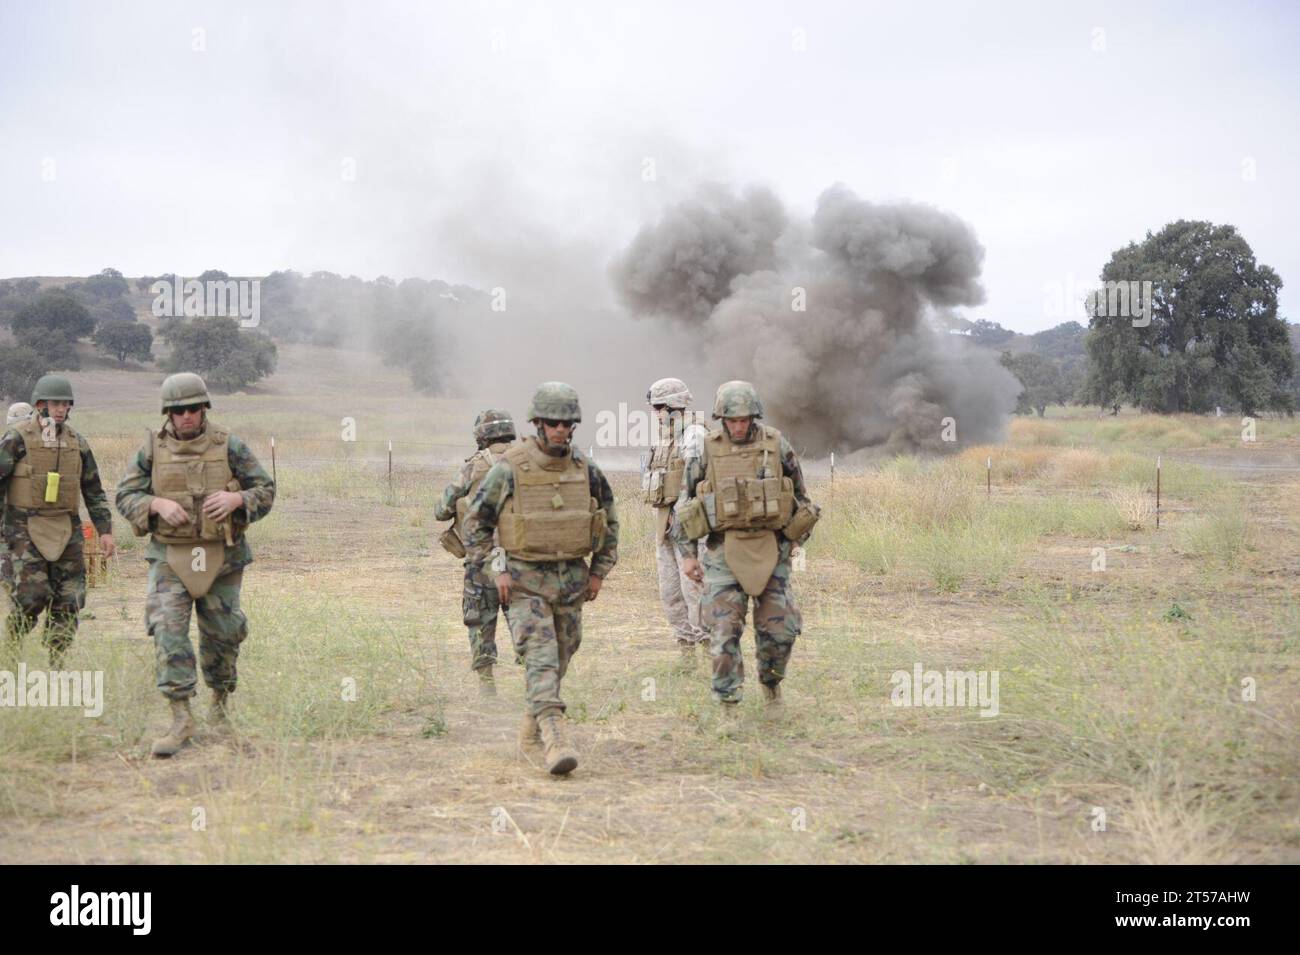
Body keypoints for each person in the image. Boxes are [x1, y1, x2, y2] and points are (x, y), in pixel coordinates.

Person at [115, 373, 275, 758]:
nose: (186, 416)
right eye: (178, 410)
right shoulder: (151, 449)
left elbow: (266, 490)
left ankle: (220, 710)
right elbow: (125, 495)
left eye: (193, 408)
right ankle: (181, 717)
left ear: (204, 409)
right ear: (167, 413)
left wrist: (238, 502)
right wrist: (155, 505)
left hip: (223, 557)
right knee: (168, 630)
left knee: (223, 634)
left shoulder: (230, 445)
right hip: (171, 557)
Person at [463, 382, 618, 775]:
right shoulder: (510, 467)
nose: (561, 431)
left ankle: (529, 731)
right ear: (537, 423)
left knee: (563, 655)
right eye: (553, 423)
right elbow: (476, 524)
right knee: (541, 659)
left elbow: (609, 518)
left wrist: (599, 570)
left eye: (567, 424)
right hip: (523, 582)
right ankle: (555, 741)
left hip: (570, 582)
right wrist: (494, 568)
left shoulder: (585, 469)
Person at [673, 381, 820, 711]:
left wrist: (796, 539)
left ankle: (771, 685)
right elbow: (686, 504)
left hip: (772, 549)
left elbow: (802, 498)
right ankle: (728, 703)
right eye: (732, 419)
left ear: (754, 417)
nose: (738, 426)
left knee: (780, 631)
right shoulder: (706, 449)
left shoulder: (776, 445)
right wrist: (687, 556)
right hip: (723, 552)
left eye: (745, 419)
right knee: (723, 630)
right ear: (721, 418)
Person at [1, 376, 114, 666]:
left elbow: (93, 489)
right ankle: (12, 648)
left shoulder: (77, 443)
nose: (61, 409)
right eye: (55, 403)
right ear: (40, 405)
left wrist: (105, 531)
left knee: (70, 599)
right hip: (23, 529)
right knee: (31, 597)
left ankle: (57, 661)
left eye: (65, 403)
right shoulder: (17, 438)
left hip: (66, 528)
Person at [434, 409, 517, 693]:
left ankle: (487, 686)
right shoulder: (529, 462)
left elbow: (442, 510)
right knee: (527, 619)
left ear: (483, 435)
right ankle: (538, 682)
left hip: (481, 560)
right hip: (523, 559)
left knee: (479, 619)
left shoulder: (474, 467)